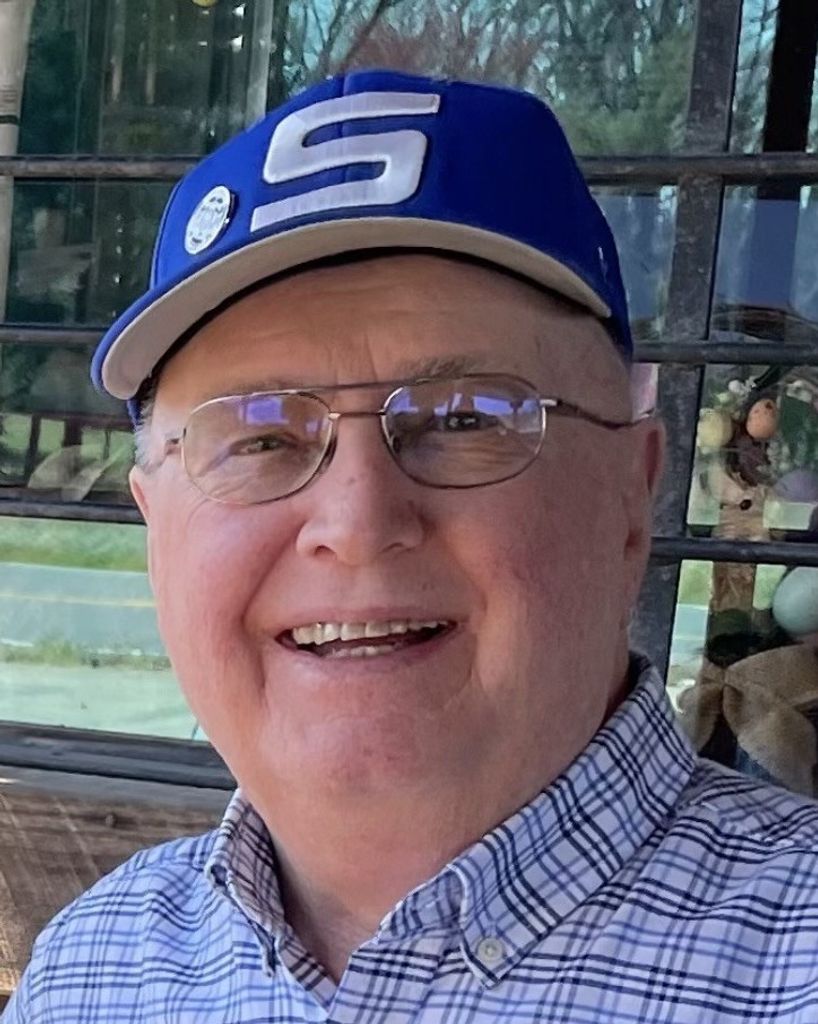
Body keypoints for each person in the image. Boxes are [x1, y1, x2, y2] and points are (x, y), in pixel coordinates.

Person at [4, 70, 817, 1024]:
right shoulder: (92, 969)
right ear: (157, 528)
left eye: (466, 417)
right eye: (260, 436)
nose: (356, 521)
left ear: (631, 497)